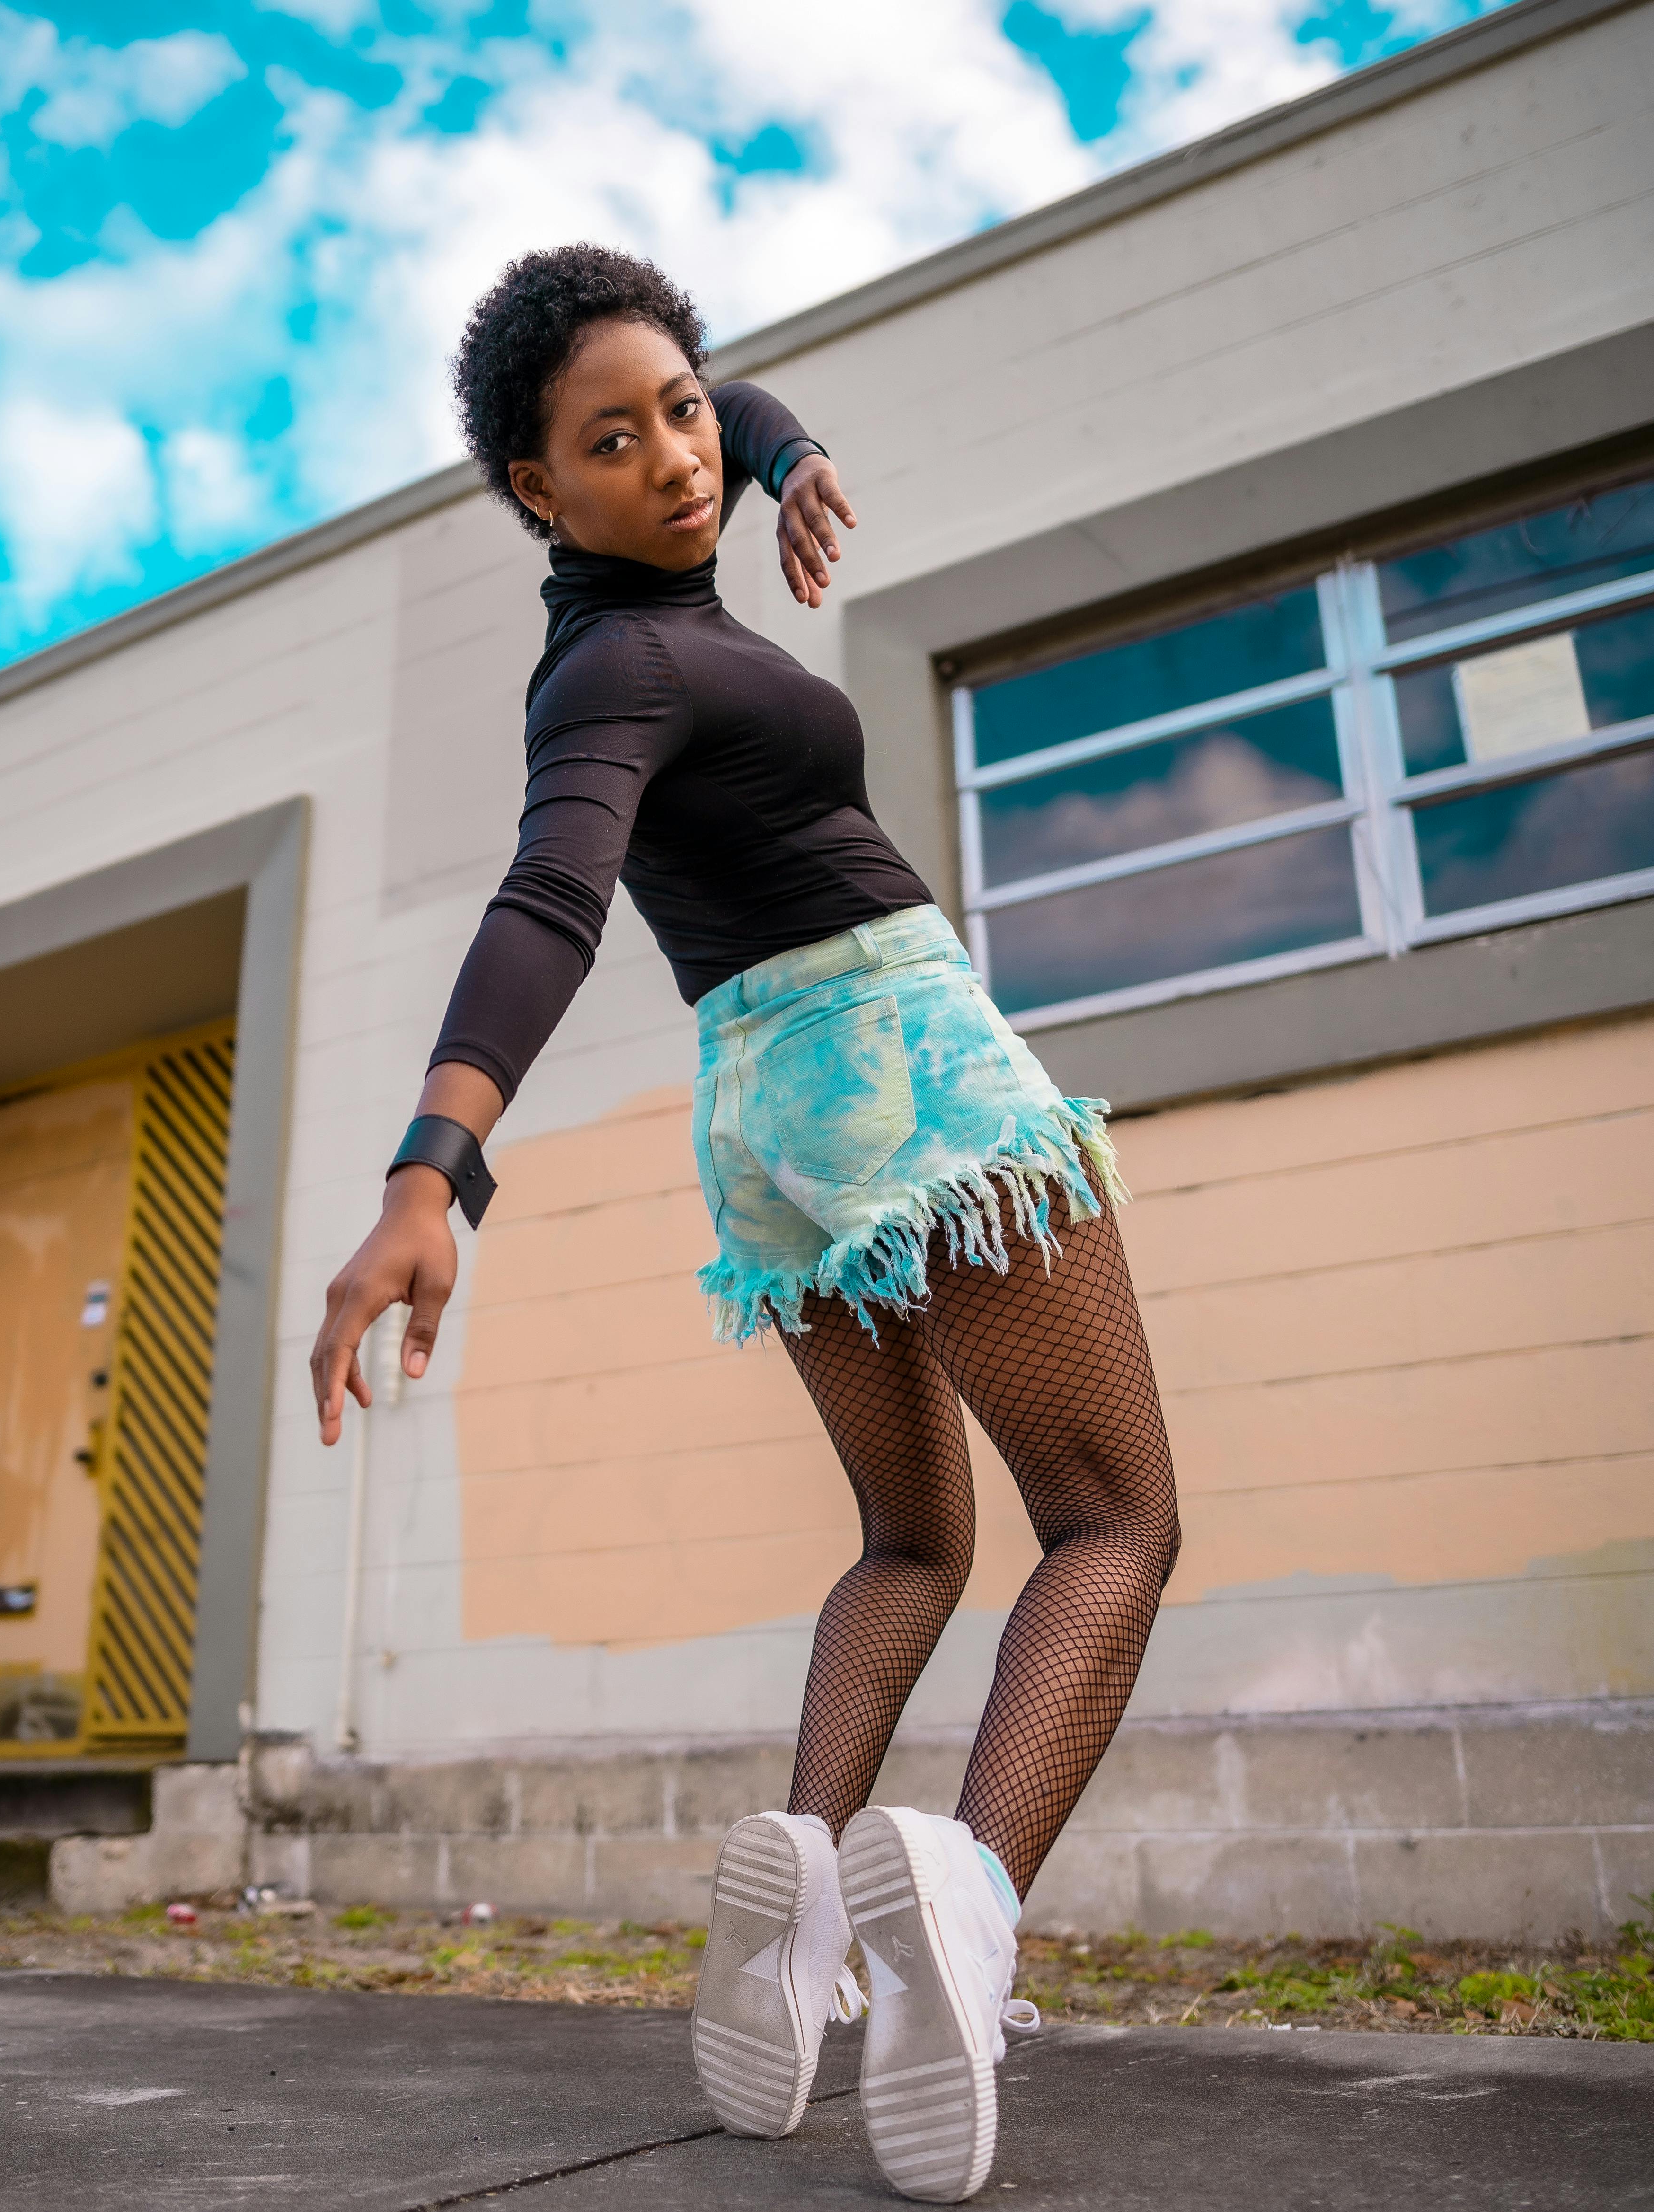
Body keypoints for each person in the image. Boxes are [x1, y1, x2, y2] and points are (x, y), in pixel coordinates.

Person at [311, 244, 1179, 2206]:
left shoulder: (643, 580)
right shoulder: (615, 671)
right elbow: (545, 895)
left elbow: (729, 414)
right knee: (1113, 1522)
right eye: (608, 444)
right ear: (537, 494)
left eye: (683, 412)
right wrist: (427, 1167)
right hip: (892, 1049)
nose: (673, 460)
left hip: (758, 1108)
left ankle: (799, 1895)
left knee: (908, 1536)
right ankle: (957, 1902)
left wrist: (783, 450)